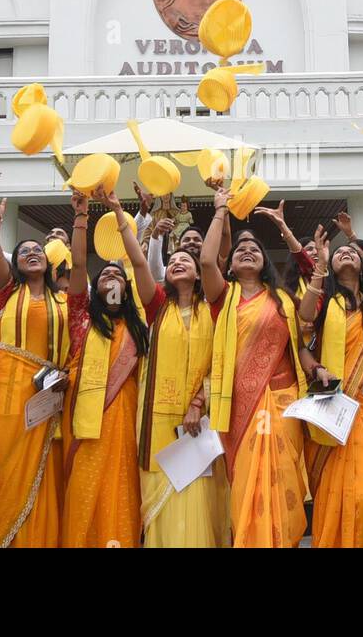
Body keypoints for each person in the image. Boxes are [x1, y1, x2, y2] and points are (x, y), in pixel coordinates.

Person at [202, 186, 309, 547]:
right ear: (230, 265)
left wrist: (317, 368)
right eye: (240, 250)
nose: (247, 251)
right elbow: (205, 261)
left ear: (265, 262)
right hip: (239, 408)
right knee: (247, 483)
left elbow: (299, 348)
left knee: (283, 484)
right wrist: (220, 210)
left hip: (281, 403)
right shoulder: (222, 298)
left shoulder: (283, 300)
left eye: (255, 249)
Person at [0, 154, 69, 548]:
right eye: (24, 250)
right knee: (1, 467)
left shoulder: (65, 301)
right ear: (16, 262)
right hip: (8, 400)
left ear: (50, 261)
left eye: (38, 250)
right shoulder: (3, 293)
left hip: (49, 400)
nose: (32, 252)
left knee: (46, 476)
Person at [126, 200, 229, 547]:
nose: (178, 263)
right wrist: (124, 216)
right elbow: (140, 262)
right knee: (162, 492)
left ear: (200, 272)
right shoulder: (157, 306)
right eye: (172, 262)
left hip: (199, 421)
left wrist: (199, 402)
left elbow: (220, 359)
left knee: (198, 493)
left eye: (185, 260)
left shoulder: (214, 308)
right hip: (156, 422)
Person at [297, 229, 363, 548]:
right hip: (330, 407)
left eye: (353, 252)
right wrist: (316, 368)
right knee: (331, 493)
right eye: (340, 252)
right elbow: (302, 336)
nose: (347, 253)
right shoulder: (323, 301)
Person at [61, 188, 147, 548]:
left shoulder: (139, 325)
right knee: (84, 492)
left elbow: (140, 264)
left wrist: (125, 216)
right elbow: (79, 265)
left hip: (126, 422)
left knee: (122, 490)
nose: (112, 279)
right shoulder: (82, 317)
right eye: (106, 276)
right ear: (97, 288)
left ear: (127, 290)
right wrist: (82, 217)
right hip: (85, 425)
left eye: (119, 276)